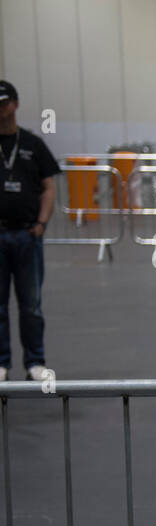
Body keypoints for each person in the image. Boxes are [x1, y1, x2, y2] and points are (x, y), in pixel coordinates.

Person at [0, 81, 58, 384]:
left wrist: (42, 223)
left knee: (31, 305)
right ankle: (1, 362)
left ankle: (35, 361)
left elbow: (49, 186)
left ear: (15, 104)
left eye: (5, 102)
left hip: (27, 236)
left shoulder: (33, 145)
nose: (1, 109)